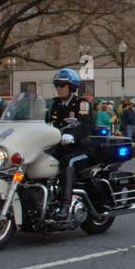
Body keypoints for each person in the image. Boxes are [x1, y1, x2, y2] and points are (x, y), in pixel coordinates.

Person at [45, 68, 92, 217]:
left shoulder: (82, 104)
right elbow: (44, 122)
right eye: (57, 85)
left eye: (62, 85)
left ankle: (64, 206)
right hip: (58, 146)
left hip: (80, 148)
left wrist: (72, 135)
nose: (58, 88)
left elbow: (84, 124)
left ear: (71, 87)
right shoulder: (54, 104)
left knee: (68, 162)